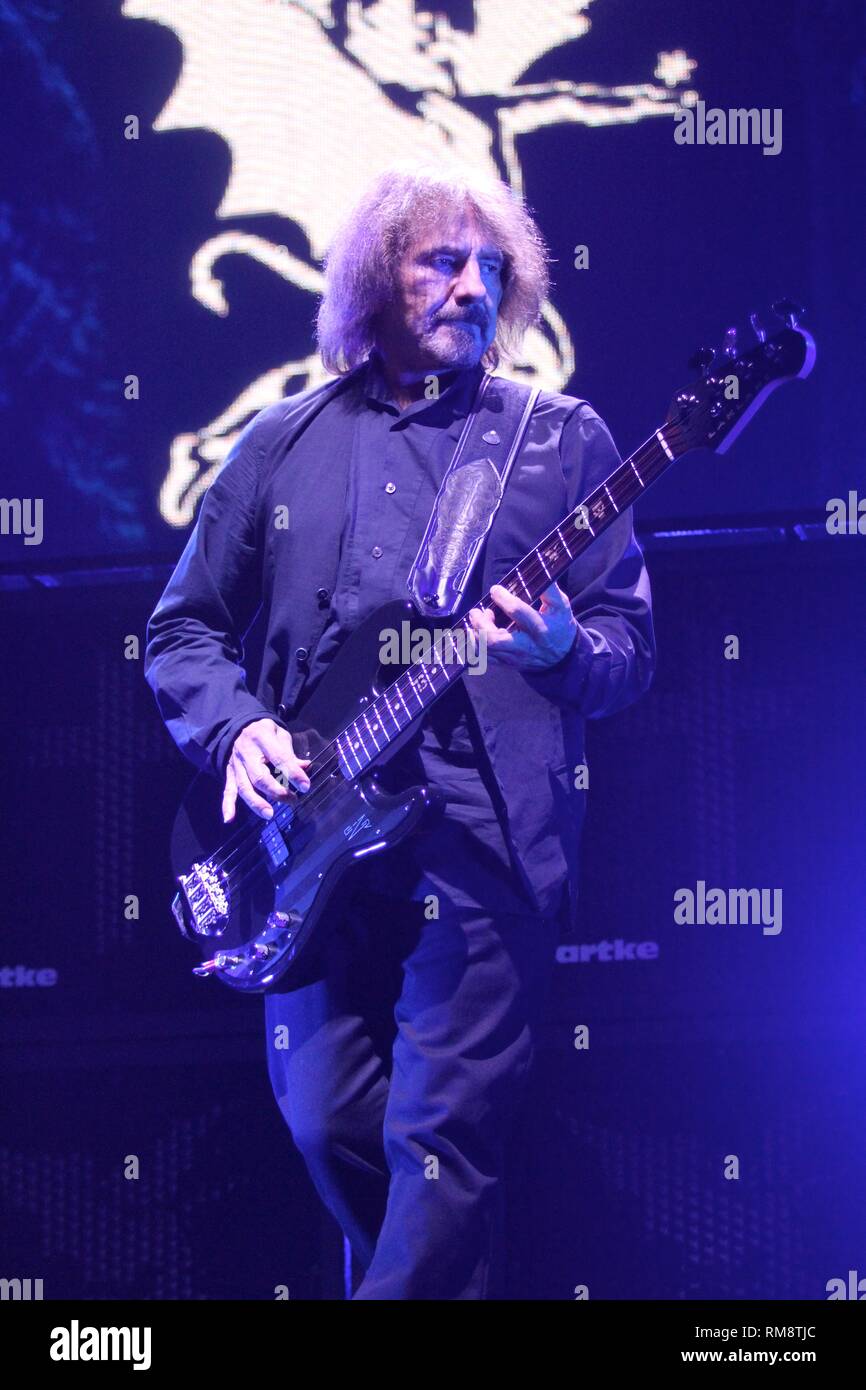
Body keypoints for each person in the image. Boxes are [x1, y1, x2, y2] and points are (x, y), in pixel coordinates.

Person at [144, 161, 656, 1299]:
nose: (472, 287)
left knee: (438, 1143)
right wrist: (234, 734)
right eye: (442, 262)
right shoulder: (278, 445)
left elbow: (628, 657)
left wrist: (560, 650)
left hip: (486, 847)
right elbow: (179, 630)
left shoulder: (554, 443)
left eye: (491, 269)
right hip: (305, 847)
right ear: (377, 280)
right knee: (330, 1126)